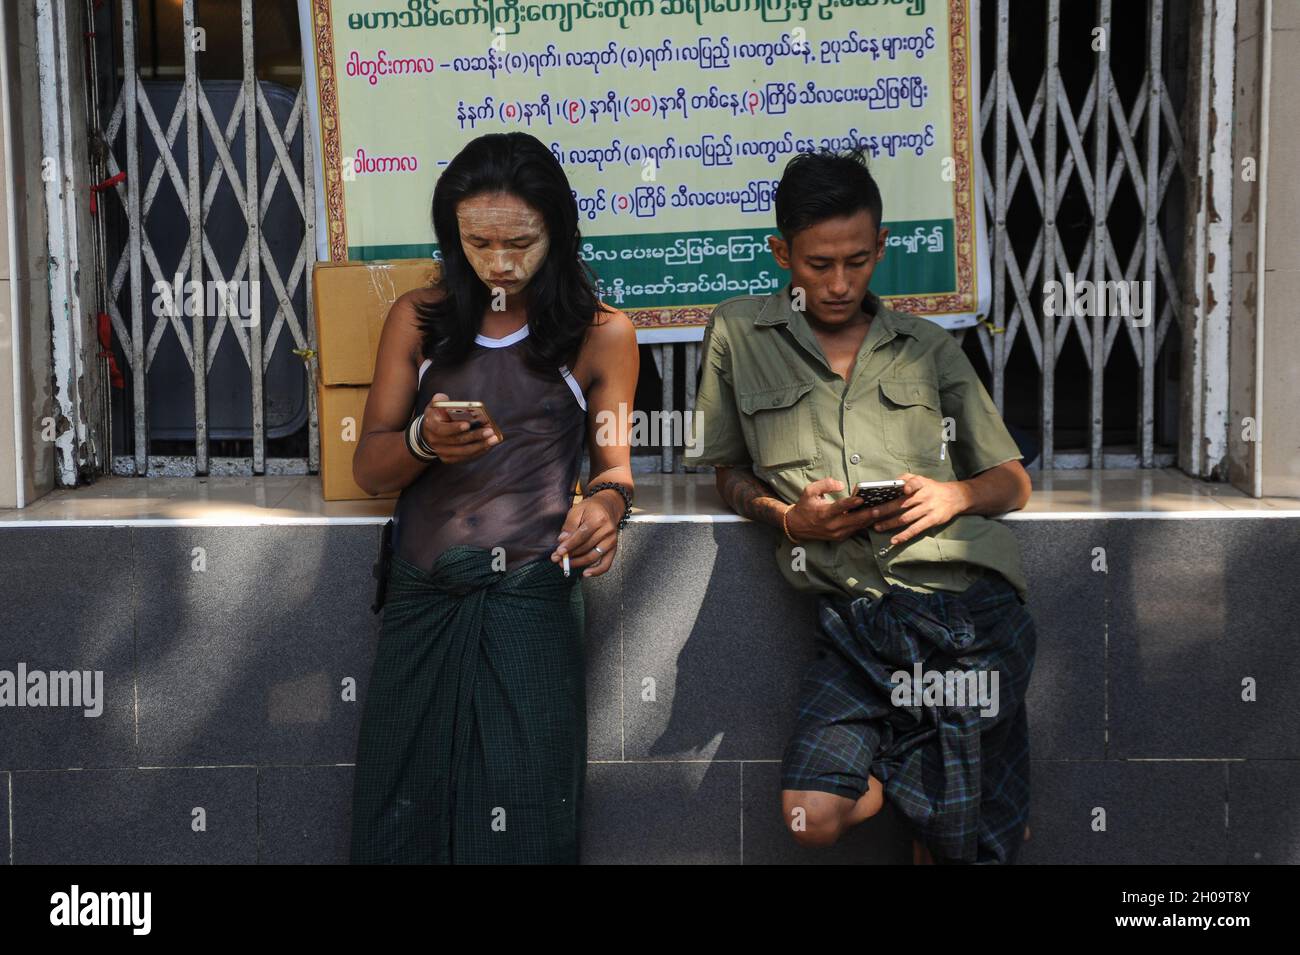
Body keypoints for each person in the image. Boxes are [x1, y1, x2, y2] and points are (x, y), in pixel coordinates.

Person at [690, 148, 1038, 864]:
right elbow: (726, 471)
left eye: (858, 260)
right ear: (781, 252)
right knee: (809, 814)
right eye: (819, 265)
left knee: (956, 848)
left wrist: (956, 493)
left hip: (964, 608)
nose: (840, 283)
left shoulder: (926, 346)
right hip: (854, 619)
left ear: (881, 246)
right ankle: (936, 792)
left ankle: (945, 807)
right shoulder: (736, 335)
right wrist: (789, 519)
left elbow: (1012, 480)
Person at [348, 132, 638, 864]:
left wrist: (605, 511)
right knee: (400, 814)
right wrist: (422, 441)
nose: (500, 262)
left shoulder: (601, 334)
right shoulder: (419, 318)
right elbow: (370, 467)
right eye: (478, 242)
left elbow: (614, 471)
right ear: (453, 237)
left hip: (528, 599)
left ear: (559, 234)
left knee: (525, 813)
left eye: (521, 242)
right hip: (423, 595)